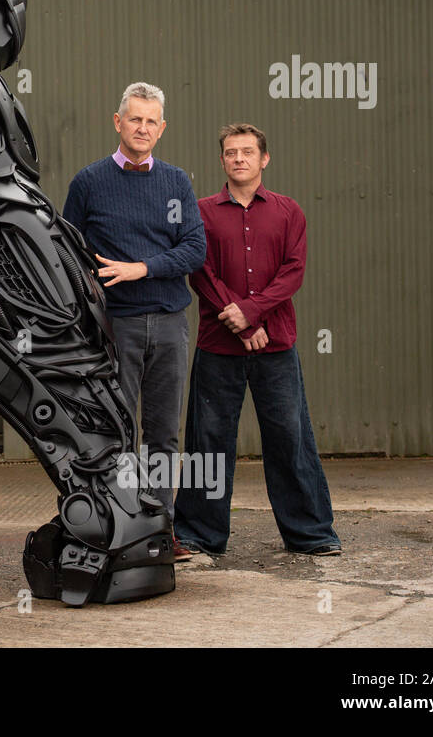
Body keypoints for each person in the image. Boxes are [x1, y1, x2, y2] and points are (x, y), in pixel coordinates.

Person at [173, 123, 341, 556]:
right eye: (231, 152)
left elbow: (293, 273)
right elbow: (199, 272)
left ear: (264, 159)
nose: (239, 159)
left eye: (248, 152)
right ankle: (199, 534)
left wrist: (251, 311)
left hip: (277, 346)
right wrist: (244, 323)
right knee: (207, 442)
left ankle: (311, 533)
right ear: (222, 161)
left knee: (290, 437)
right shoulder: (202, 212)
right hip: (218, 347)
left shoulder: (289, 212)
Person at [62, 82, 206, 559]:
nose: (142, 127)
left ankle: (160, 532)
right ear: (117, 122)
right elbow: (69, 255)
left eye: (151, 121)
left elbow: (195, 248)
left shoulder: (176, 183)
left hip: (169, 324)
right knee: (114, 433)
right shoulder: (89, 183)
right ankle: (120, 529)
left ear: (161, 129)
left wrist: (141, 268)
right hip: (113, 327)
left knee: (162, 434)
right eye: (135, 118)